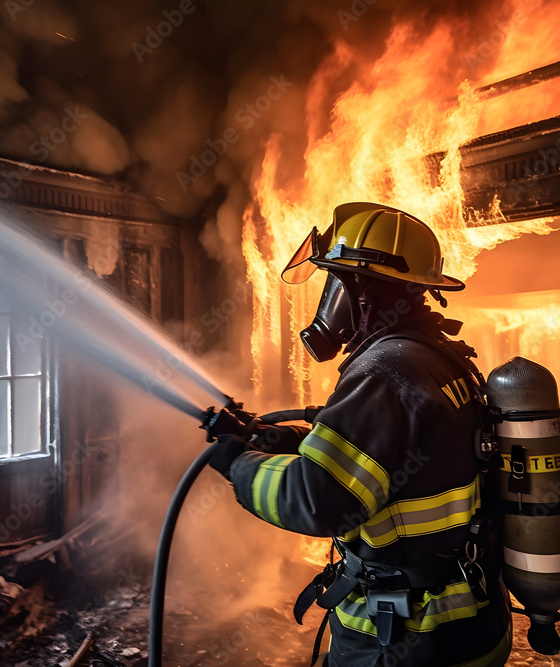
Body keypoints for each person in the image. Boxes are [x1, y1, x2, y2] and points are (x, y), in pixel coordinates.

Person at [205, 202, 512, 666]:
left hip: (406, 641)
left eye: (335, 281)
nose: (328, 299)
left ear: (363, 290)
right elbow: (388, 453)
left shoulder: (383, 372)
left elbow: (317, 499)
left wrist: (238, 464)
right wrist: (278, 439)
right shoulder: (436, 359)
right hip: (470, 624)